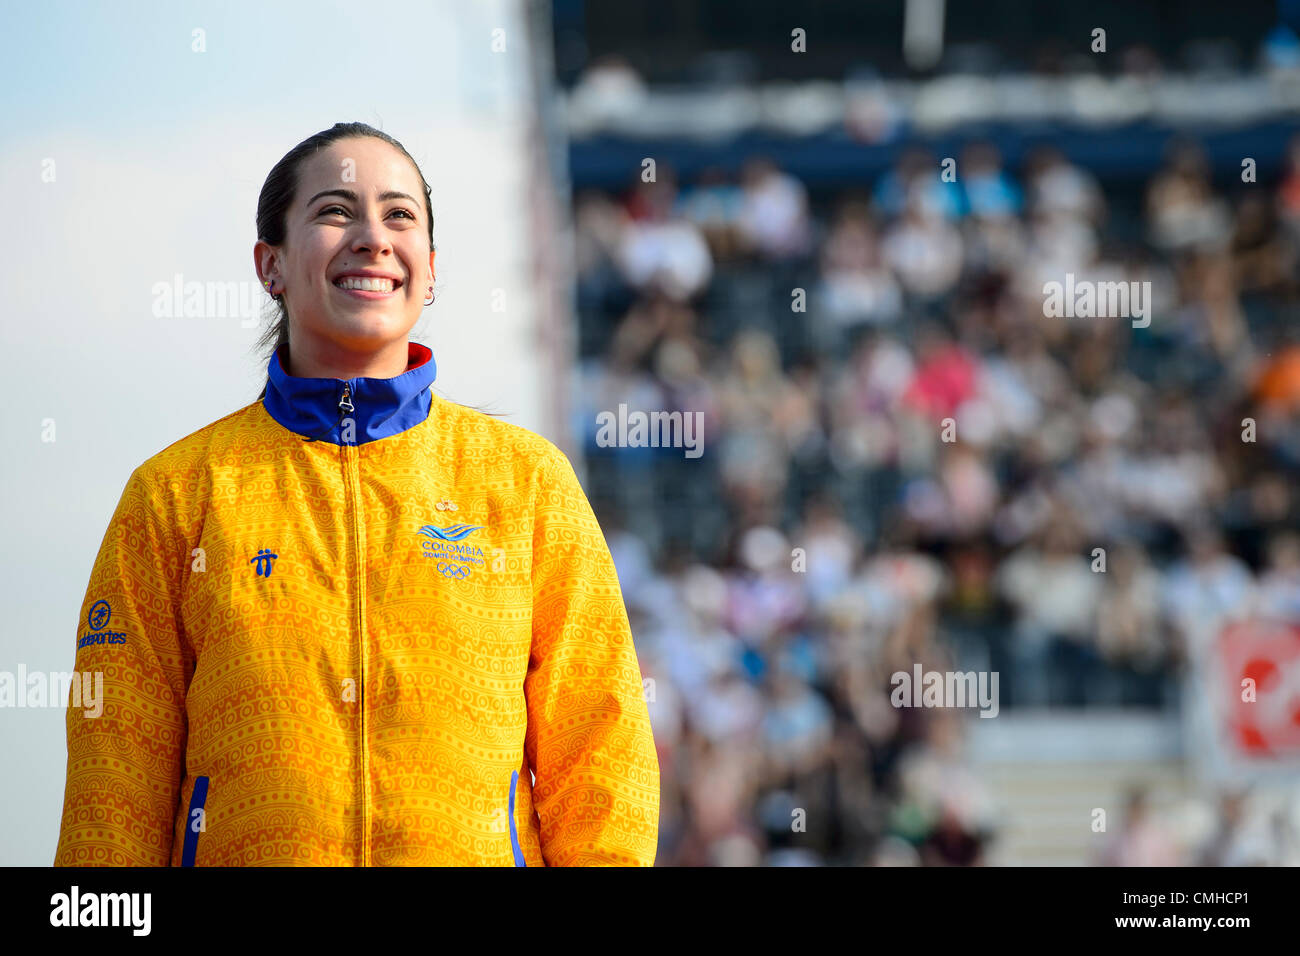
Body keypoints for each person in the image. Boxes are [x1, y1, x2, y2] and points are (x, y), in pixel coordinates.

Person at [53, 122, 660, 866]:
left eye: (399, 214)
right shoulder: (174, 496)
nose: (372, 237)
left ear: (430, 271)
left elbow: (602, 760)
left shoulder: (528, 483)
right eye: (335, 211)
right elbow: (110, 790)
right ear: (270, 264)